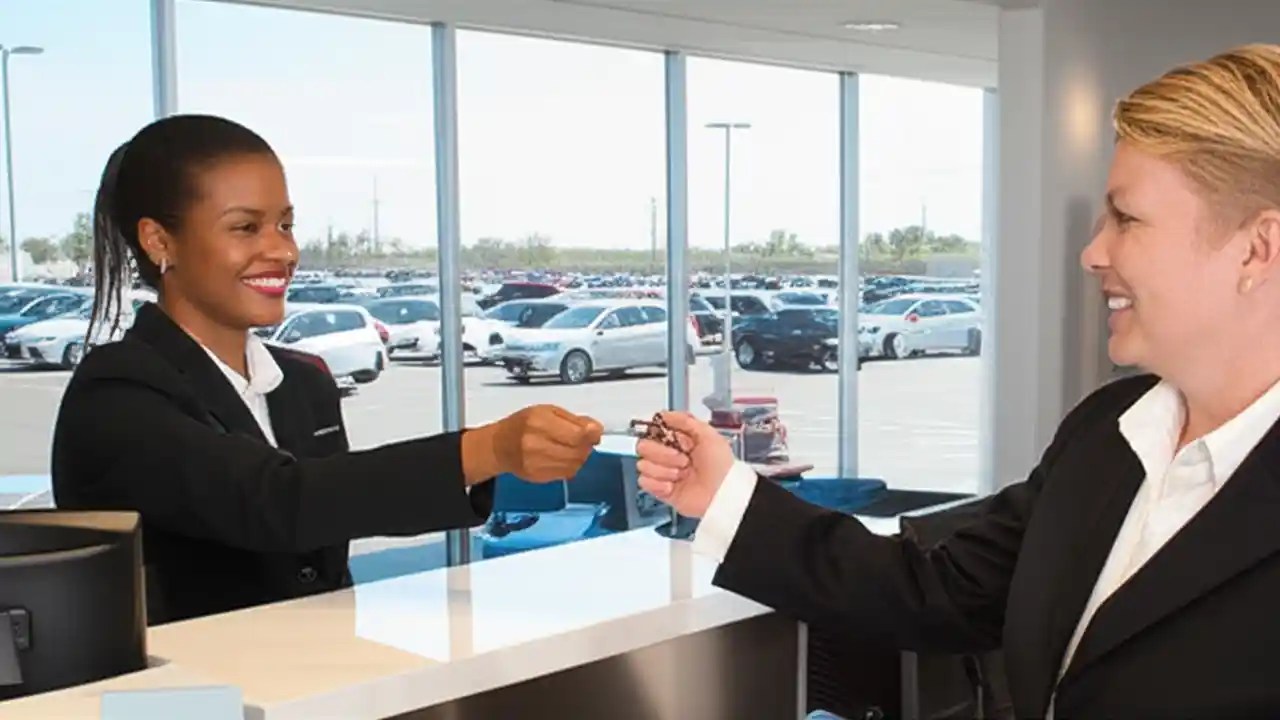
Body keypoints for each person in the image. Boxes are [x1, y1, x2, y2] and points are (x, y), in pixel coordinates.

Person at [637, 44, 1280, 719]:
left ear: (1257, 249)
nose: (1093, 252)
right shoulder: (1108, 432)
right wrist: (723, 494)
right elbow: (938, 590)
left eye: (1127, 218)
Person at [51, 114, 604, 625]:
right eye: (245, 228)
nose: (282, 251)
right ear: (158, 240)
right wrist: (490, 449)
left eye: (285, 225)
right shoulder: (116, 396)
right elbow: (280, 503)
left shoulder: (304, 384)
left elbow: (332, 532)